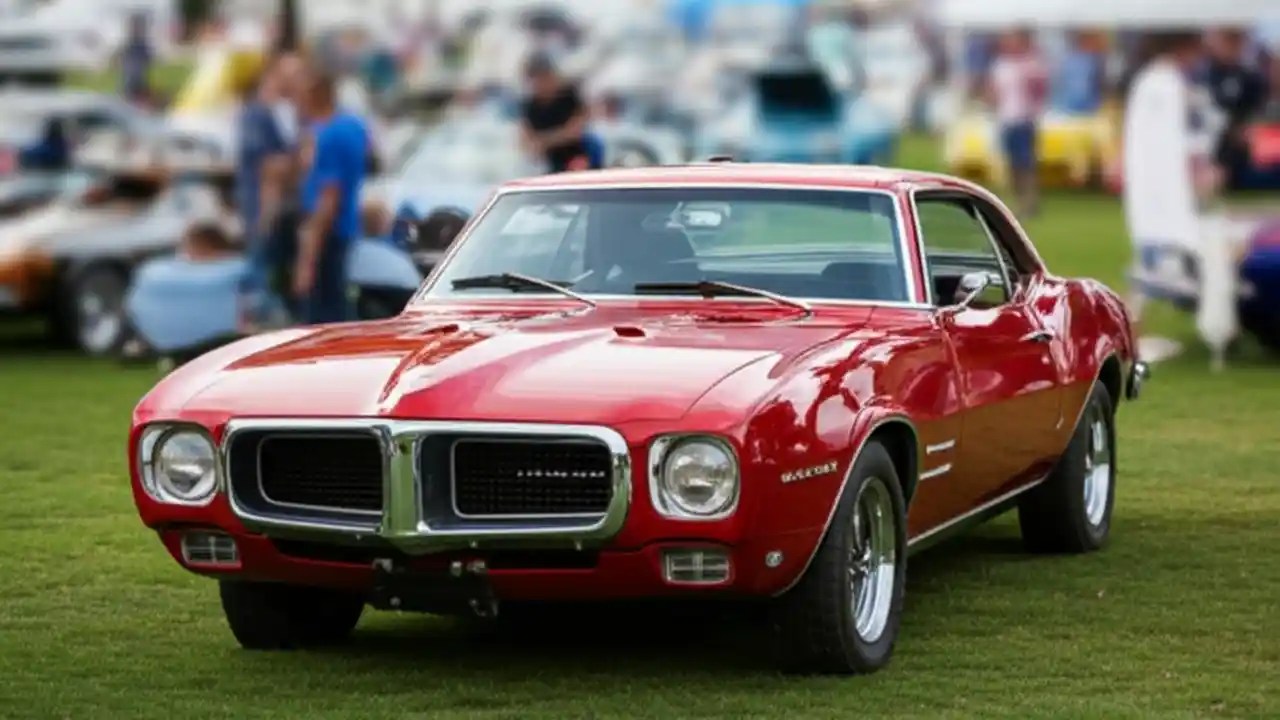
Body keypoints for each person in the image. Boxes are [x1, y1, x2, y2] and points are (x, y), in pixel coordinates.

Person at [1122, 32, 1221, 332]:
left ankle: (1131, 326)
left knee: (1153, 262)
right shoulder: (1167, 84)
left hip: (1152, 187)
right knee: (1161, 263)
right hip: (1165, 188)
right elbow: (1178, 138)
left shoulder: (1152, 81)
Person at [293, 72, 370, 324]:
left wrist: (307, 260)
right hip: (347, 226)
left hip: (327, 231)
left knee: (321, 315)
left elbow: (329, 197)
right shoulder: (354, 126)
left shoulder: (328, 138)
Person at [987, 28, 1048, 217]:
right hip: (1006, 119)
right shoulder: (1001, 65)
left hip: (1024, 119)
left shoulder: (1031, 65)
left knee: (1026, 163)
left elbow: (1040, 90)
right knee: (1012, 164)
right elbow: (993, 90)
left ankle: (1029, 202)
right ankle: (1017, 201)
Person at [1201, 29, 1270, 186]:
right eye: (1229, 40)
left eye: (1237, 41)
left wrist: (1248, 128)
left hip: (1241, 154)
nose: (1233, 46)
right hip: (1206, 148)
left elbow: (1258, 112)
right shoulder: (1201, 74)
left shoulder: (1251, 77)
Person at [519, 53, 591, 173]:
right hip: (544, 163)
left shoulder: (570, 96)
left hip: (574, 157)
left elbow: (574, 131)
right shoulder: (529, 105)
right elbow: (526, 141)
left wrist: (544, 141)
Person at [119, 12, 153, 106]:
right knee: (129, 97)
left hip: (138, 78)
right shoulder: (129, 44)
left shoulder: (142, 44)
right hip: (130, 80)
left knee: (136, 99)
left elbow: (148, 59)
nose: (137, 29)